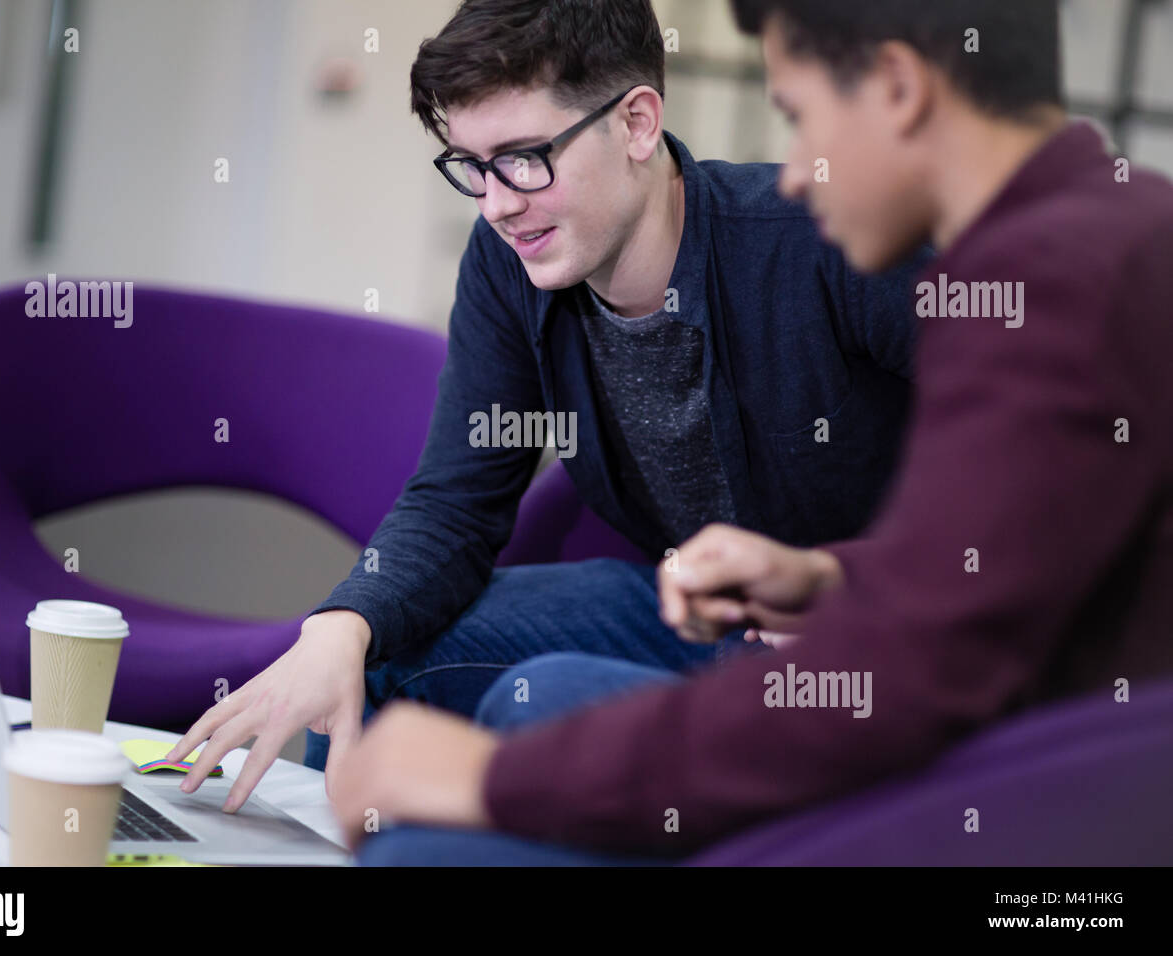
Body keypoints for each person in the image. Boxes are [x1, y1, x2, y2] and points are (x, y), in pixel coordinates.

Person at [325, 0, 1173, 864]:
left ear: (898, 89)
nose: (796, 172)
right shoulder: (1113, 230)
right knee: (417, 684)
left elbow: (903, 678)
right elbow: (1015, 554)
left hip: (1029, 809)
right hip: (1002, 735)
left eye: (801, 119)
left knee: (458, 806)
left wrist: (490, 782)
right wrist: (829, 574)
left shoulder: (1046, 281)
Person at [165, 0, 924, 807]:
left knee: (552, 699)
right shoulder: (508, 265)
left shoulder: (821, 240)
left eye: (525, 158)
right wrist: (339, 627)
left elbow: (1054, 458)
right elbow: (458, 501)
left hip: (889, 643)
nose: (496, 204)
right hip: (705, 626)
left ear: (636, 124)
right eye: (471, 165)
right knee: (377, 655)